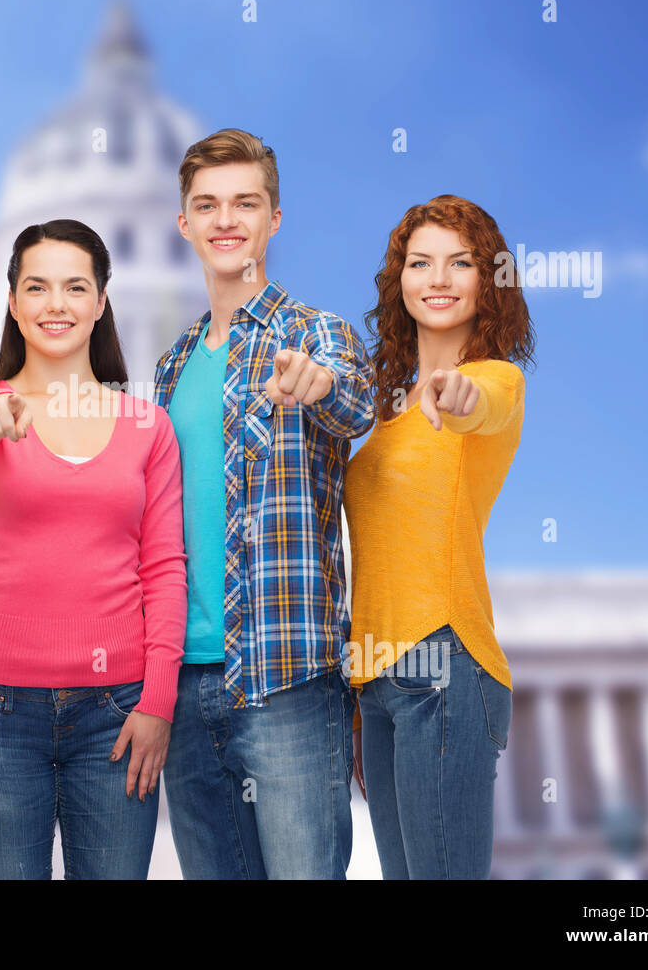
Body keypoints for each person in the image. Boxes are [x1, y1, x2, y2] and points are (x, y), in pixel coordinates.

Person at [153, 129, 376, 879]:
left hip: (287, 674)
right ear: (183, 222)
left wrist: (317, 384)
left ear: (274, 218)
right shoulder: (171, 364)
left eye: (245, 203)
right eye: (207, 205)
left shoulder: (317, 335)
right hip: (183, 681)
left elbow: (353, 404)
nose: (226, 220)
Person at [0, 219, 187, 879]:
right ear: (13, 301)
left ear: (102, 301)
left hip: (117, 710)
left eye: (75, 287)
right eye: (37, 287)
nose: (56, 304)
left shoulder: (146, 424)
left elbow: (165, 570)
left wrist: (157, 703)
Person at [345, 194, 535, 879]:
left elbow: (480, 407)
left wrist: (456, 396)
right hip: (374, 679)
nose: (439, 278)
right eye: (420, 262)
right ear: (399, 281)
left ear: (490, 281)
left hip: (445, 664)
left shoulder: (493, 381)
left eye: (462, 262)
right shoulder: (378, 408)